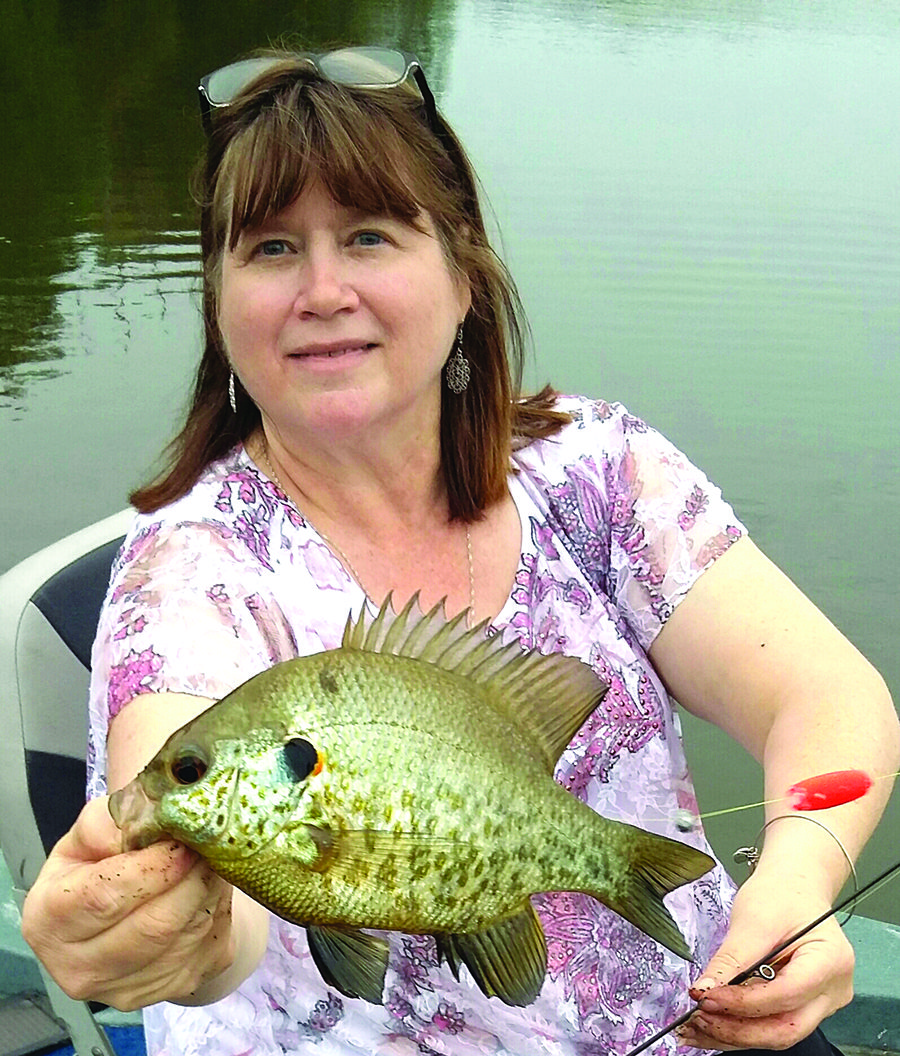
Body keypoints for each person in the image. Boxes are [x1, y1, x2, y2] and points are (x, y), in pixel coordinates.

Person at [21, 46, 899, 1056]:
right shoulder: (185, 575)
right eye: (269, 248)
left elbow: (827, 694)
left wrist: (796, 885)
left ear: (464, 268)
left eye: (368, 235)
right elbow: (220, 906)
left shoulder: (596, 469)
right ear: (218, 298)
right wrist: (165, 933)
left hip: (702, 1023)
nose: (322, 289)